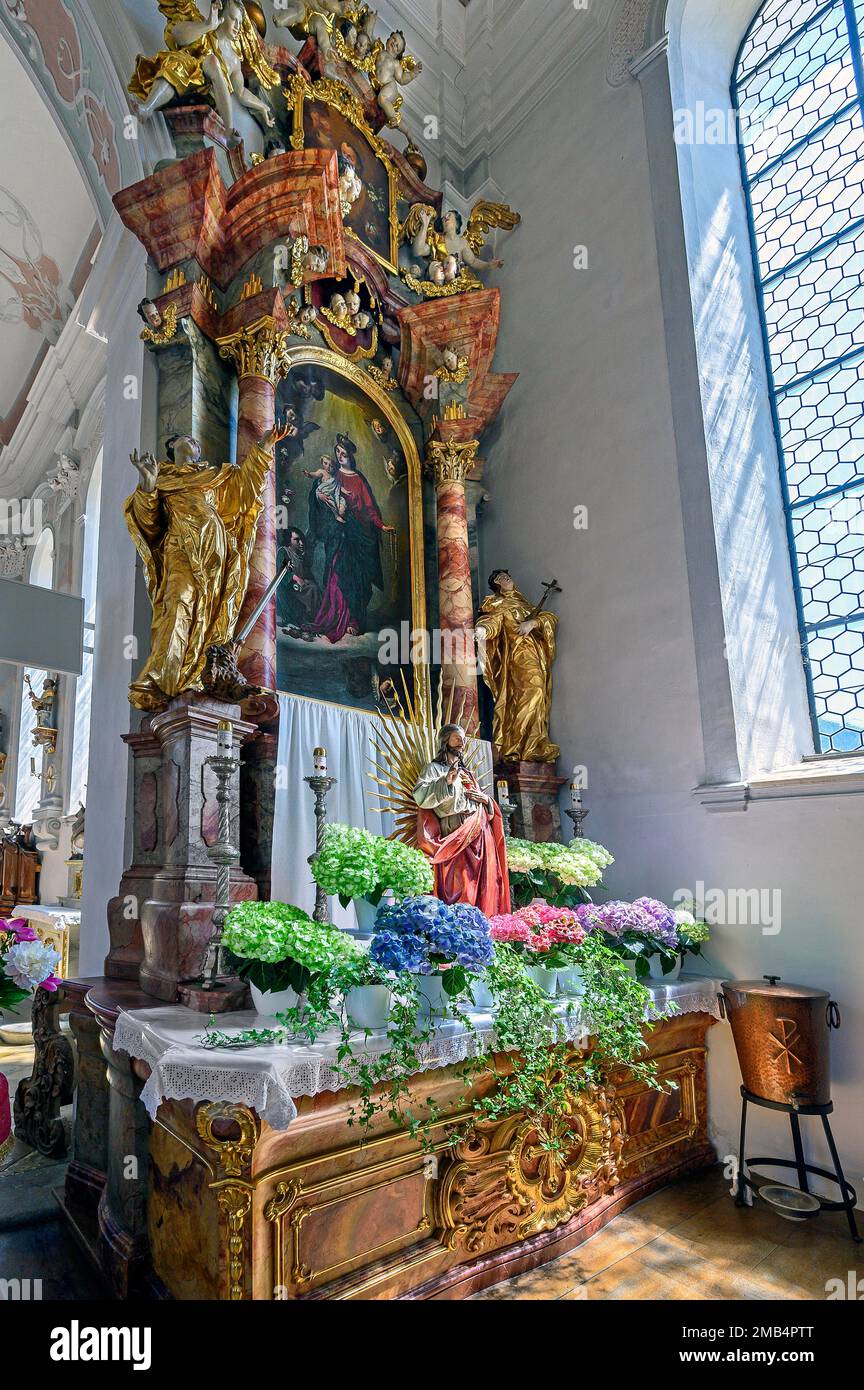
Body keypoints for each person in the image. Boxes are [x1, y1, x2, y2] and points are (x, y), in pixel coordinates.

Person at [125, 424, 285, 711]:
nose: (190, 443)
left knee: (210, 616)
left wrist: (265, 445)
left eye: (194, 442)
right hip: (180, 549)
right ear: (172, 448)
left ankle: (200, 674)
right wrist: (148, 484)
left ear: (199, 454)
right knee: (177, 603)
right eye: (183, 439)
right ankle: (165, 680)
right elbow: (150, 525)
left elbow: (248, 484)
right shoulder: (162, 479)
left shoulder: (215, 478)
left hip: (215, 555)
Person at [413, 723, 511, 917]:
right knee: (462, 885)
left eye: (464, 739)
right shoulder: (434, 770)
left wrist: (487, 801)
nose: (462, 743)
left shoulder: (467, 774)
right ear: (445, 740)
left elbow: (484, 805)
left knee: (482, 884)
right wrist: (446, 781)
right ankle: (458, 931)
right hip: (453, 833)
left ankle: (481, 927)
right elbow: (420, 797)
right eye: (457, 738)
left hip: (479, 833)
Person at [305, 433, 394, 642]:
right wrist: (317, 495)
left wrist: (381, 525)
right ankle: (335, 618)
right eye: (337, 452)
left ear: (350, 456)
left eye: (343, 453)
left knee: (356, 577)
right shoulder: (331, 475)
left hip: (356, 534)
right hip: (337, 533)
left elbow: (370, 509)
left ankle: (352, 619)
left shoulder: (358, 479)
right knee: (336, 573)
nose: (339, 456)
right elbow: (318, 492)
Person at [476, 569, 559, 763]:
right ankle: (515, 744)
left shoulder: (524, 604)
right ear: (496, 585)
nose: (506, 579)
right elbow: (492, 622)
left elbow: (550, 618)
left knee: (537, 699)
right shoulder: (499, 604)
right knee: (533, 692)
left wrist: (534, 623)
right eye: (501, 578)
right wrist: (483, 630)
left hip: (535, 655)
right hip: (517, 655)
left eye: (507, 576)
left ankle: (531, 745)